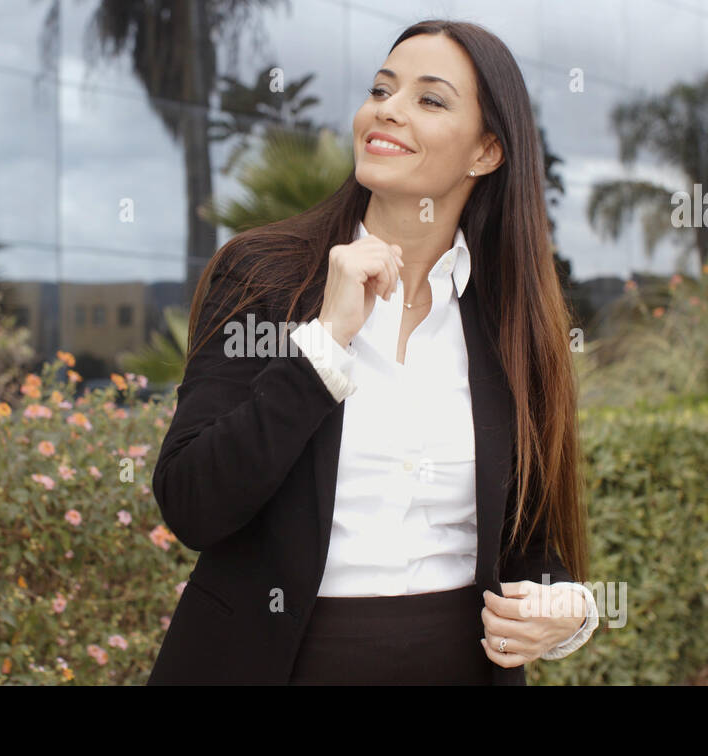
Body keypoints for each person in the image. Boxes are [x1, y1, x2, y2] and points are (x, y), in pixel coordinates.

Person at [148, 19, 598, 686]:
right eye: (382, 89)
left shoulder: (508, 319)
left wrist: (568, 606)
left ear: (487, 152)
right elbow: (192, 502)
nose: (387, 108)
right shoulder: (262, 275)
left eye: (430, 98)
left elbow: (523, 541)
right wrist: (324, 345)